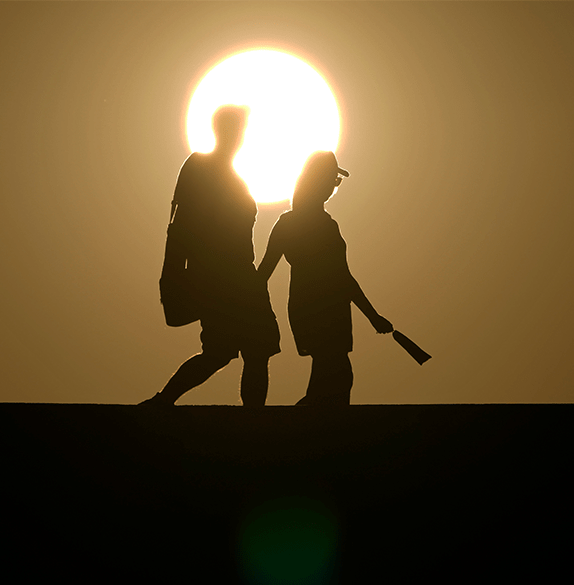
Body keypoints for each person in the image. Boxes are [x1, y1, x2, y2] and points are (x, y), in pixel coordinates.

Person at [142, 105, 280, 406]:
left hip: (243, 276)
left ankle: (252, 419)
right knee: (222, 352)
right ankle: (163, 401)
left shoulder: (233, 175)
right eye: (236, 129)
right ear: (221, 130)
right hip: (220, 277)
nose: (239, 136)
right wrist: (175, 276)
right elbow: (179, 229)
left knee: (254, 352)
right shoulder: (200, 168)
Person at [258, 151, 392, 405]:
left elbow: (262, 273)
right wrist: (373, 316)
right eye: (332, 179)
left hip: (307, 306)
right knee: (336, 376)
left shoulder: (288, 223)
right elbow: (343, 278)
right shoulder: (324, 227)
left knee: (332, 375)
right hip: (325, 308)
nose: (333, 186)